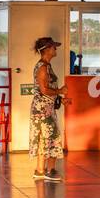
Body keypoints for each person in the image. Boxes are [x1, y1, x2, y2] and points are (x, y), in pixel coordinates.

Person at [29, 36, 69, 182]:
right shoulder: (43, 67)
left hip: (46, 107)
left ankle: (40, 170)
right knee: (51, 137)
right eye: (53, 47)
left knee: (44, 138)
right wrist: (60, 91)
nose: (55, 49)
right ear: (46, 50)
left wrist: (60, 99)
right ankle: (50, 170)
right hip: (43, 110)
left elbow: (47, 90)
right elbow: (44, 90)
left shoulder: (46, 65)